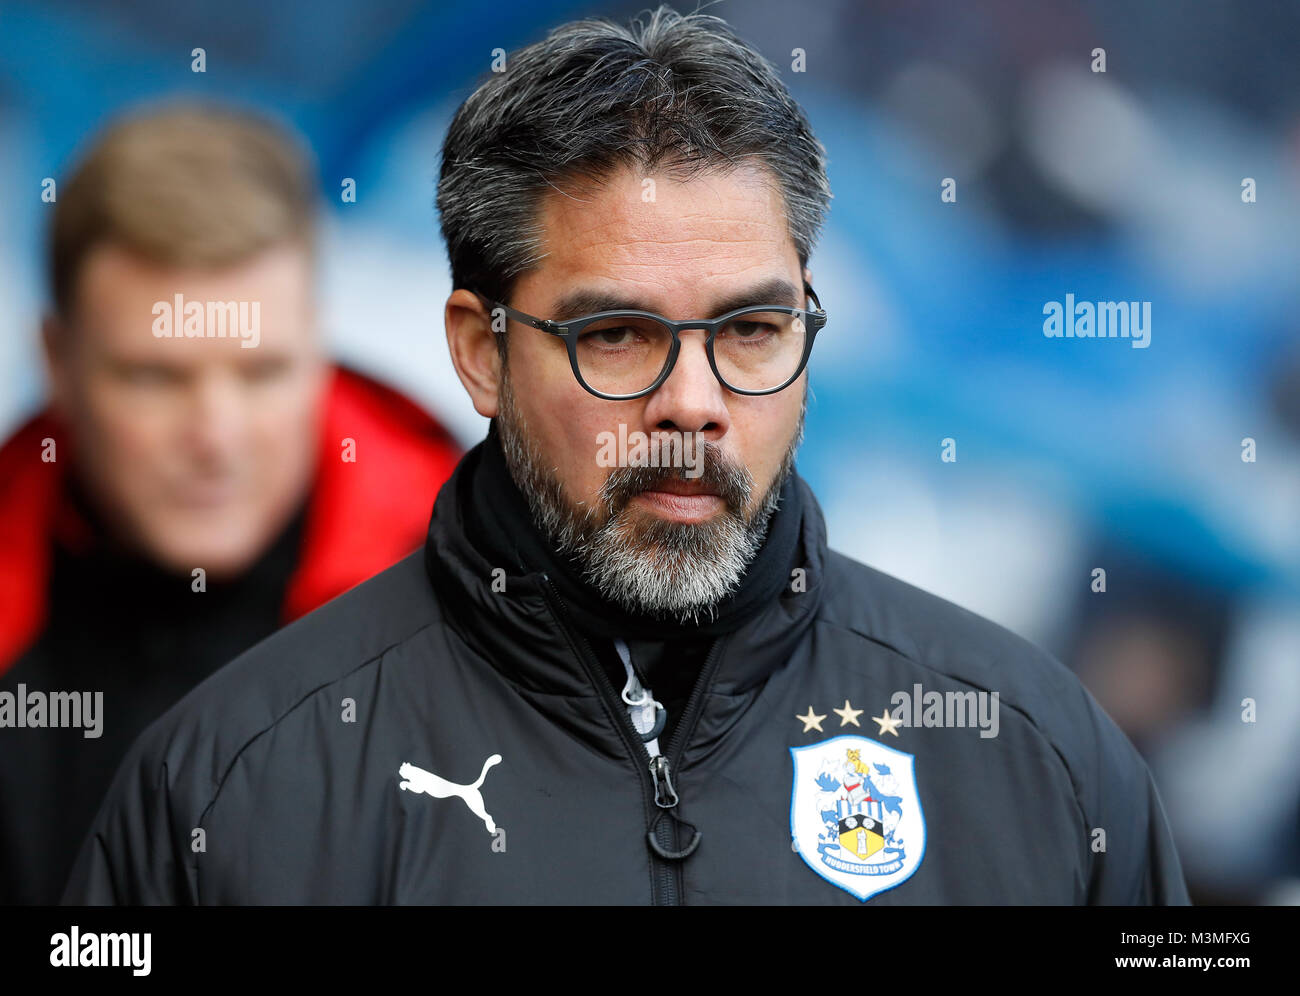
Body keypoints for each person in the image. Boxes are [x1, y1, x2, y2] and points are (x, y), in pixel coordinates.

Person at [62, 9, 1189, 905]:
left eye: (750, 332)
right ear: (480, 354)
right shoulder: (228, 785)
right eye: (617, 336)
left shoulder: (1040, 760)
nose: (691, 406)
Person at [0, 105, 461, 904]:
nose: (216, 436)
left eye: (261, 374)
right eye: (154, 376)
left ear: (318, 347)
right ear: (58, 363)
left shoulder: (484, 598)